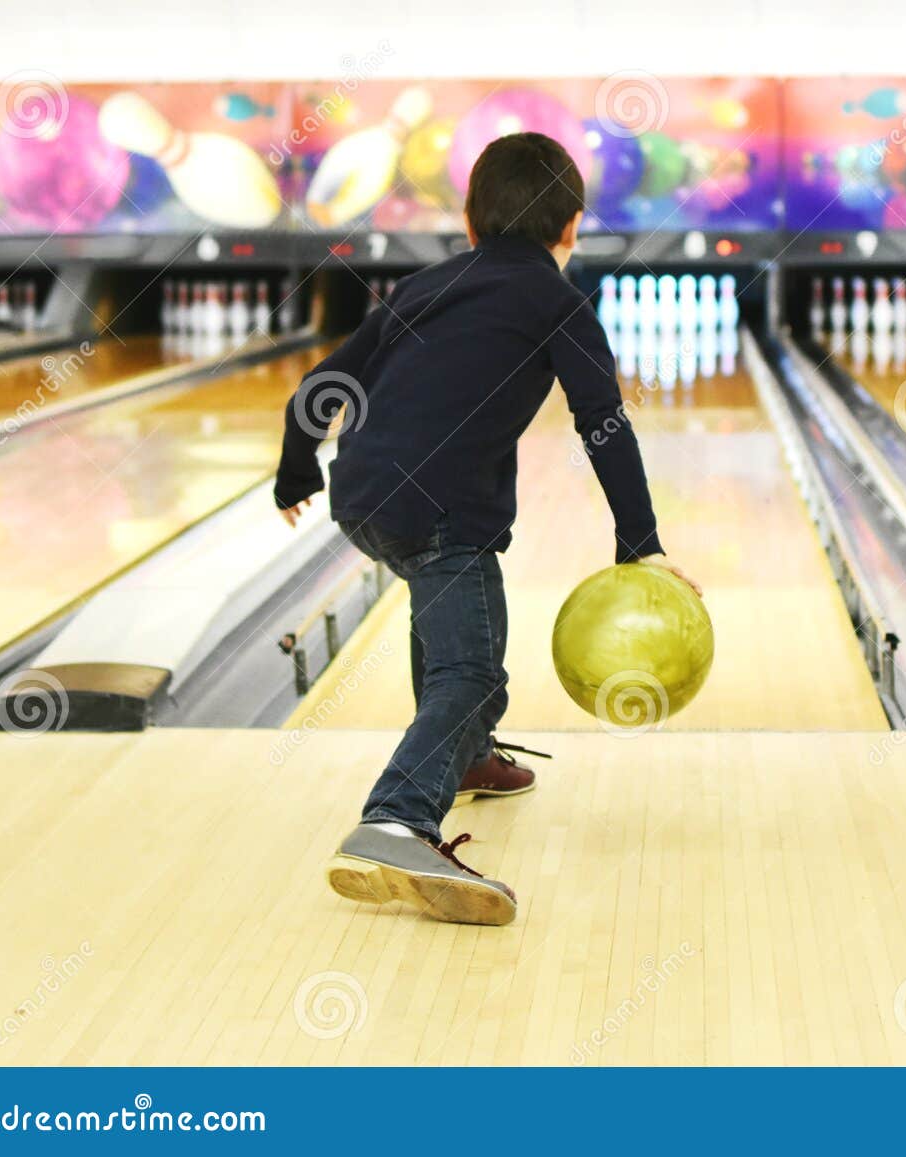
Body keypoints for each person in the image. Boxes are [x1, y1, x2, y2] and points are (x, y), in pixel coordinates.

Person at [273, 131, 700, 927]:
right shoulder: (557, 299)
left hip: (362, 493)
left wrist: (297, 468)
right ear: (571, 227)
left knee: (440, 617)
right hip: (443, 507)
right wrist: (640, 541)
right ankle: (396, 818)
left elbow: (326, 379)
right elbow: (601, 420)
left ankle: (464, 757)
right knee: (471, 673)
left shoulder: (422, 286)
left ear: (469, 225)